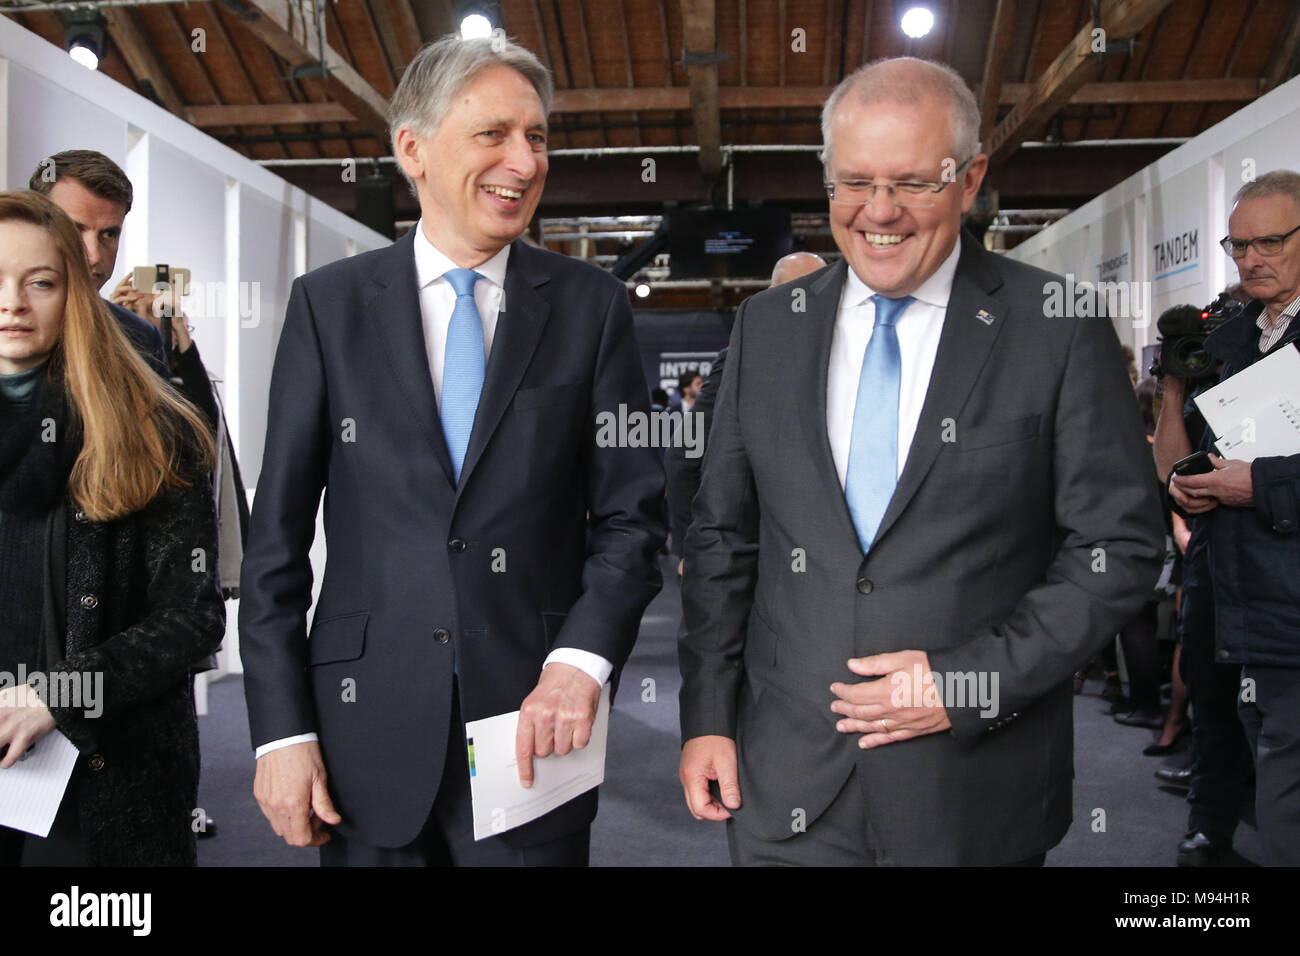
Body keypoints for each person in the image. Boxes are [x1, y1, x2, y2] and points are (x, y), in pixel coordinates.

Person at [677, 56, 1164, 866]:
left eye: (912, 183)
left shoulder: (1058, 327)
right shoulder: (768, 328)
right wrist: (706, 717)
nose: (880, 213)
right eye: (854, 183)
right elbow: (723, 539)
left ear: (970, 179)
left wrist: (967, 682)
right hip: (784, 782)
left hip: (972, 793)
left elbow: (1117, 551)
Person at [239, 34, 665, 867]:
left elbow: (632, 520)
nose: (524, 160)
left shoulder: (593, 308)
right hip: (364, 730)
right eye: (494, 134)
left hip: (538, 727)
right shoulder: (329, 309)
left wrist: (580, 664)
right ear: (413, 149)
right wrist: (278, 731)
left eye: (537, 137)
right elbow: (276, 545)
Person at [0, 190, 223, 866]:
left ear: (75, 292)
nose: (12, 302)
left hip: (104, 783)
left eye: (39, 282)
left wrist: (57, 695)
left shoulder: (150, 429)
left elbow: (192, 617)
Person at [1161, 170, 1300, 866]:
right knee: (1240, 735)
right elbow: (1191, 455)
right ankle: (1210, 832)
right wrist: (1192, 487)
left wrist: (1262, 484)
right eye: (1238, 244)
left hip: (1290, 598)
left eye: (1270, 241)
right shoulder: (1236, 335)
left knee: (1285, 781)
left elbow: (1256, 472)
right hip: (1229, 583)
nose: (1251, 258)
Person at [668, 252, 828, 575]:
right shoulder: (740, 360)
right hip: (753, 556)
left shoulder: (846, 361)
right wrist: (691, 547)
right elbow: (686, 451)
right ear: (772, 297)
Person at [26, 151, 166, 376]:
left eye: (109, 234)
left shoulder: (141, 339)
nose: (94, 256)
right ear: (34, 227)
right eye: (74, 229)